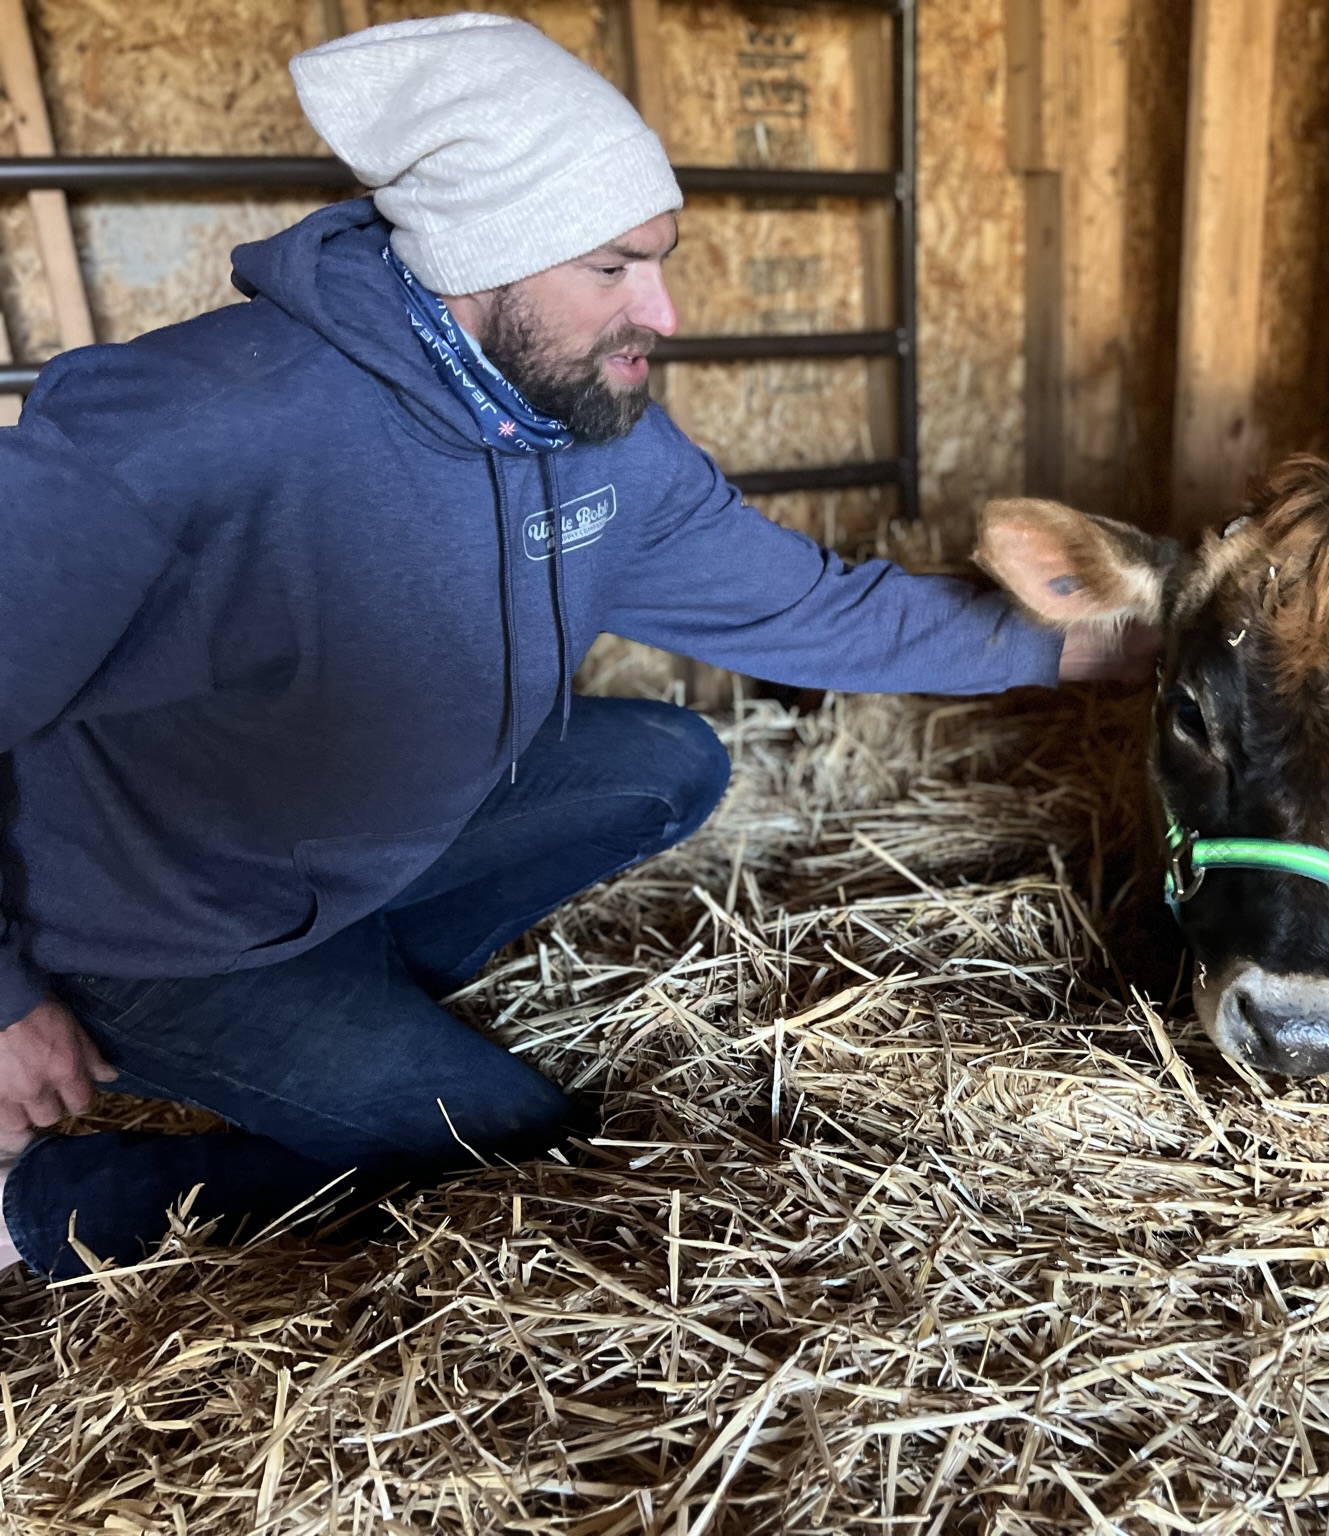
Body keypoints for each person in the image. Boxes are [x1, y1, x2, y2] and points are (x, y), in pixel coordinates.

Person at [0, 14, 1147, 1281]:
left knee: (669, 761)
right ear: (476, 261)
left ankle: (363, 995)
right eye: (613, 268)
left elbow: (811, 610)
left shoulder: (595, 436)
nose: (662, 311)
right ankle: (45, 1206)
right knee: (519, 1148)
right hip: (157, 932)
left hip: (338, 862)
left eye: (659, 261)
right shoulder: (179, 431)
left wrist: (1103, 647)